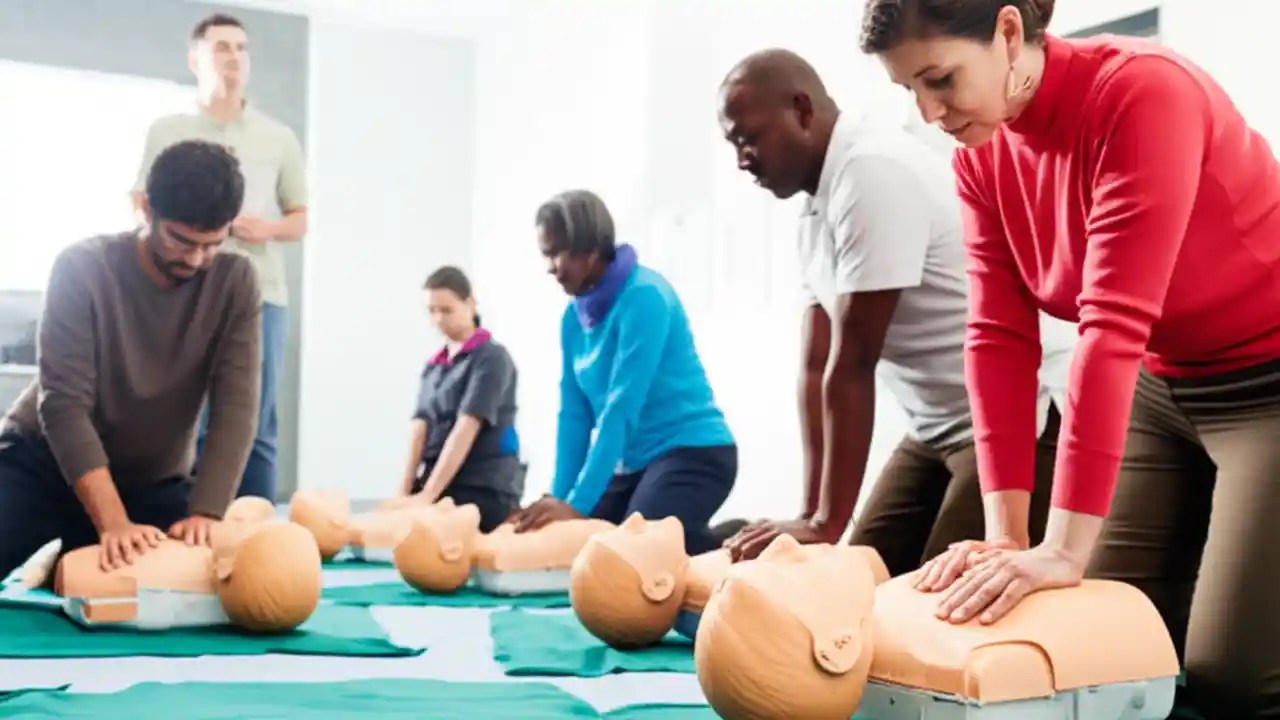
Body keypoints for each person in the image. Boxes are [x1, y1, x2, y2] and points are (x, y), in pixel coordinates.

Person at [861, 0, 1280, 714]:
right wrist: (1006, 536)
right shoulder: (982, 151)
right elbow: (997, 334)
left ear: (1007, 32)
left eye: (940, 79)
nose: (929, 113)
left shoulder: (1143, 93)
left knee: (1233, 678)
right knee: (1103, 649)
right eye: (909, 90)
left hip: (1267, 383)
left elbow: (1109, 328)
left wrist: (1060, 548)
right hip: (1162, 390)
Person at [714, 48, 1069, 573]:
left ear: (801, 109)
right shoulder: (816, 209)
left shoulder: (870, 172)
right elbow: (816, 366)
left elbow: (853, 362)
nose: (743, 159)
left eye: (749, 138)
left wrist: (826, 524)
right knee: (856, 579)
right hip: (936, 429)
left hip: (1021, 416)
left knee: (931, 598)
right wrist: (810, 517)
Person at [0, 140, 260, 578]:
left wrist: (207, 513)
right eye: (180, 241)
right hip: (43, 466)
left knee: (195, 582)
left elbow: (236, 407)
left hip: (151, 484)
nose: (196, 259)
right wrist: (113, 523)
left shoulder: (236, 281)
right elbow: (63, 405)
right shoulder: (82, 268)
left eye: (212, 244)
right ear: (145, 208)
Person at [131, 13, 307, 503]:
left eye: (242, 48)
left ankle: (255, 530)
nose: (234, 57)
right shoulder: (168, 130)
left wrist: (264, 228)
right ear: (195, 59)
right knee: (183, 414)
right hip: (183, 290)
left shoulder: (278, 137)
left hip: (262, 294)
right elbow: (142, 202)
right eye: (222, 47)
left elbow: (299, 219)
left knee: (255, 420)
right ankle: (185, 521)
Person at [509, 190, 738, 555]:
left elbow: (621, 408)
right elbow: (574, 416)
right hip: (633, 465)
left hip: (693, 453)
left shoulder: (645, 297)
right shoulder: (573, 318)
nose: (550, 267)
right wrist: (559, 501)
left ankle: (740, 543)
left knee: (631, 551)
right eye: (545, 255)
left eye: (556, 254)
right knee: (583, 546)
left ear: (589, 250)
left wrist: (577, 506)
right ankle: (698, 538)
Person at [395, 266, 523, 533]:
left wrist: (428, 496)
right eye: (432, 311)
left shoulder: (492, 359)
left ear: (470, 304)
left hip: (481, 487)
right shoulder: (434, 366)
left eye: (446, 310)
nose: (438, 319)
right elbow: (419, 429)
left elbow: (465, 428)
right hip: (440, 483)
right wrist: (405, 493)